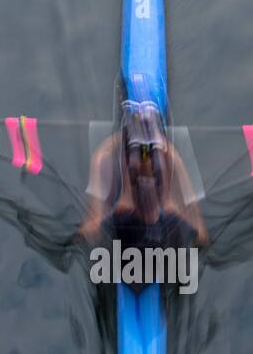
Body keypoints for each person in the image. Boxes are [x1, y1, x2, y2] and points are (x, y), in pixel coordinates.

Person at [78, 100, 208, 250]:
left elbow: (199, 230)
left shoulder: (169, 159)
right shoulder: (107, 160)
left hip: (152, 246)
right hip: (131, 246)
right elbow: (92, 225)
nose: (145, 157)